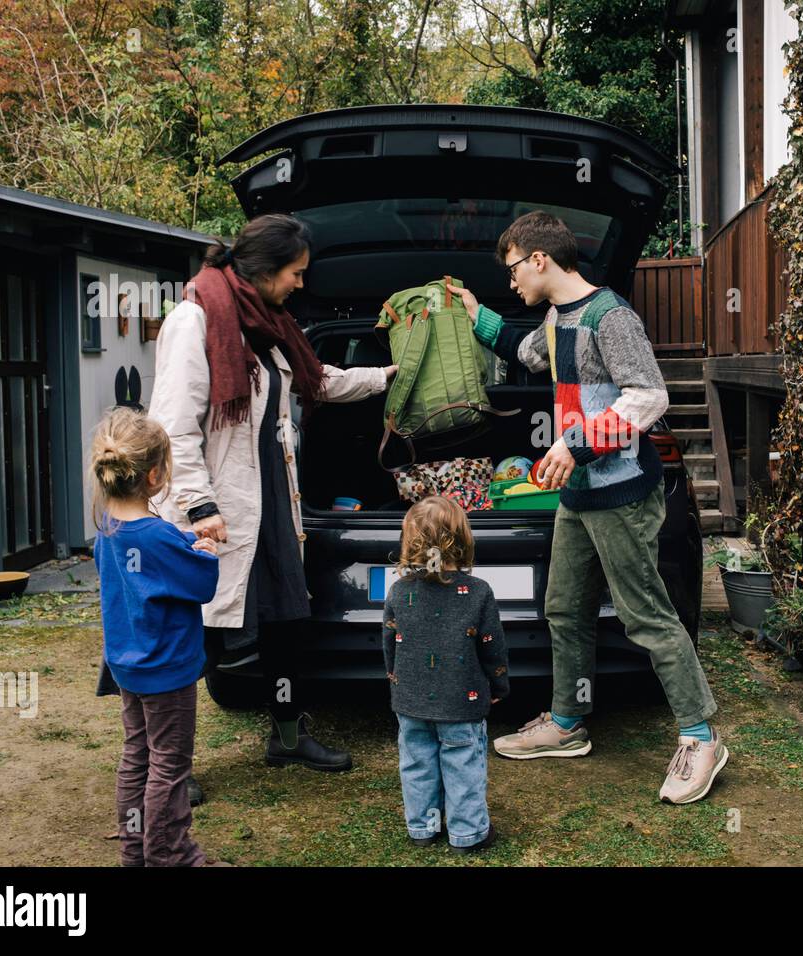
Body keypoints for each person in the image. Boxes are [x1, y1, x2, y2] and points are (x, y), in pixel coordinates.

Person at [444, 210, 728, 804]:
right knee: (565, 608)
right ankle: (567, 723)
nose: (512, 280)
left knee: (645, 613)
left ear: (540, 259)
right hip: (578, 495)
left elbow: (648, 396)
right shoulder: (556, 319)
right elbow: (526, 355)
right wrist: (475, 315)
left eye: (514, 267)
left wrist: (574, 444)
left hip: (621, 493)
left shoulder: (610, 315)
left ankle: (700, 737)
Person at [148, 213, 397, 774]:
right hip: (214, 509)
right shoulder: (196, 320)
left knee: (286, 624)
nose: (301, 284)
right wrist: (199, 506)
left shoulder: (268, 326)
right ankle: (172, 767)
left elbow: (321, 382)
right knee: (200, 635)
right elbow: (172, 427)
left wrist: (387, 376)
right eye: (296, 272)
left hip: (269, 506)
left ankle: (287, 735)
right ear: (263, 268)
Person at [90, 406, 226, 866]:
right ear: (155, 476)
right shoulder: (156, 537)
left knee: (137, 755)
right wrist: (205, 551)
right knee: (168, 764)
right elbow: (200, 583)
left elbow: (150, 560)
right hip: (166, 670)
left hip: (128, 666)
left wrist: (184, 541)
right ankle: (170, 854)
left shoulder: (107, 530)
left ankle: (135, 850)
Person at [383, 496, 509, 852]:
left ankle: (422, 828)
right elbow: (492, 647)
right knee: (462, 763)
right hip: (462, 700)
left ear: (410, 542)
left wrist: (395, 680)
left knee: (417, 763)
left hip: (410, 700)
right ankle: (467, 832)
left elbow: (389, 643)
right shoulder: (478, 592)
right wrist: (499, 684)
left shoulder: (399, 590)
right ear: (463, 539)